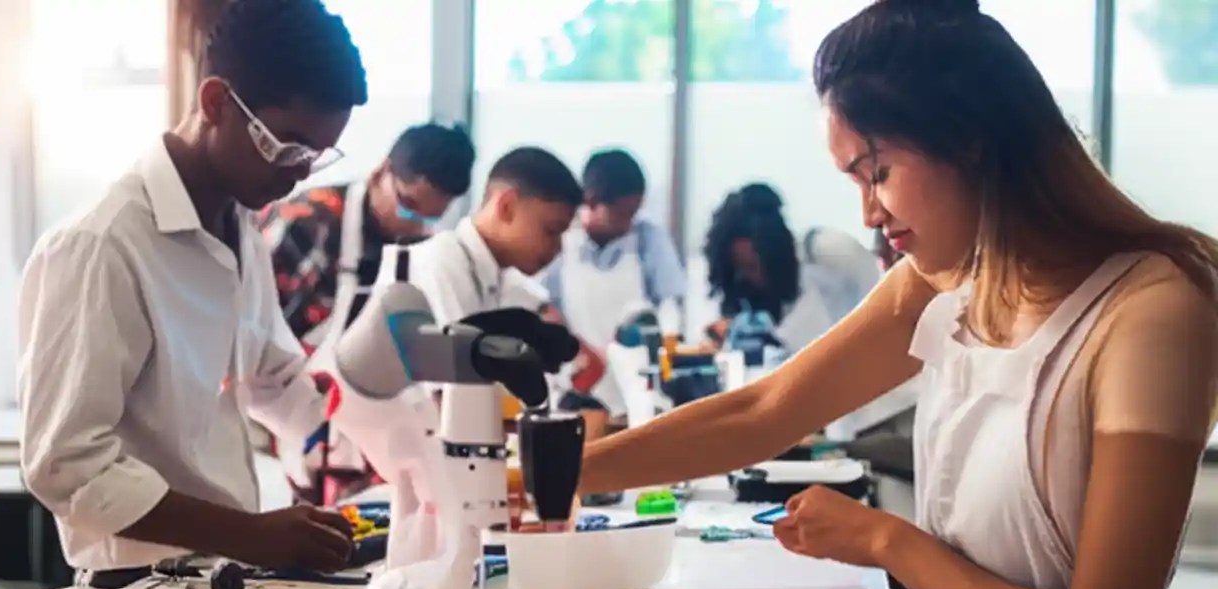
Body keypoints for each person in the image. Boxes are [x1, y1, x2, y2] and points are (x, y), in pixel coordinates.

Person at [577, 1, 1218, 589]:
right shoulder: (951, 277)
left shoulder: (1152, 309)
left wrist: (884, 539)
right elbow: (765, 410)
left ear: (969, 137)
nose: (868, 214)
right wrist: (561, 472)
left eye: (876, 171)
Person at [17, 0, 368, 589]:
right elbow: (66, 465)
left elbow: (269, 379)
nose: (301, 172)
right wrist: (251, 533)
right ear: (213, 103)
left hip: (225, 574)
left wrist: (373, 425)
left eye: (318, 154)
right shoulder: (102, 245)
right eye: (288, 146)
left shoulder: (240, 229)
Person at [258, 123, 476, 350]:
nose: (414, 225)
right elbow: (250, 318)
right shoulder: (309, 219)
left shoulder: (423, 244)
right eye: (407, 205)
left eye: (430, 217)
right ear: (381, 172)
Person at [539, 149, 687, 419]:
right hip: (577, 391)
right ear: (591, 202)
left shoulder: (648, 240)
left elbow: (670, 306)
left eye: (634, 212)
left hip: (636, 395)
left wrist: (668, 343)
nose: (629, 221)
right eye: (622, 213)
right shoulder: (560, 243)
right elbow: (542, 309)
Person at [371, 146, 583, 329]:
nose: (558, 248)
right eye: (552, 230)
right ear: (506, 207)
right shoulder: (441, 264)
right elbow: (457, 373)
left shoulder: (504, 281)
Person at [703, 183, 874, 358]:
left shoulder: (826, 252)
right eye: (742, 270)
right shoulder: (759, 308)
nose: (753, 278)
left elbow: (883, 295)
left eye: (753, 266)